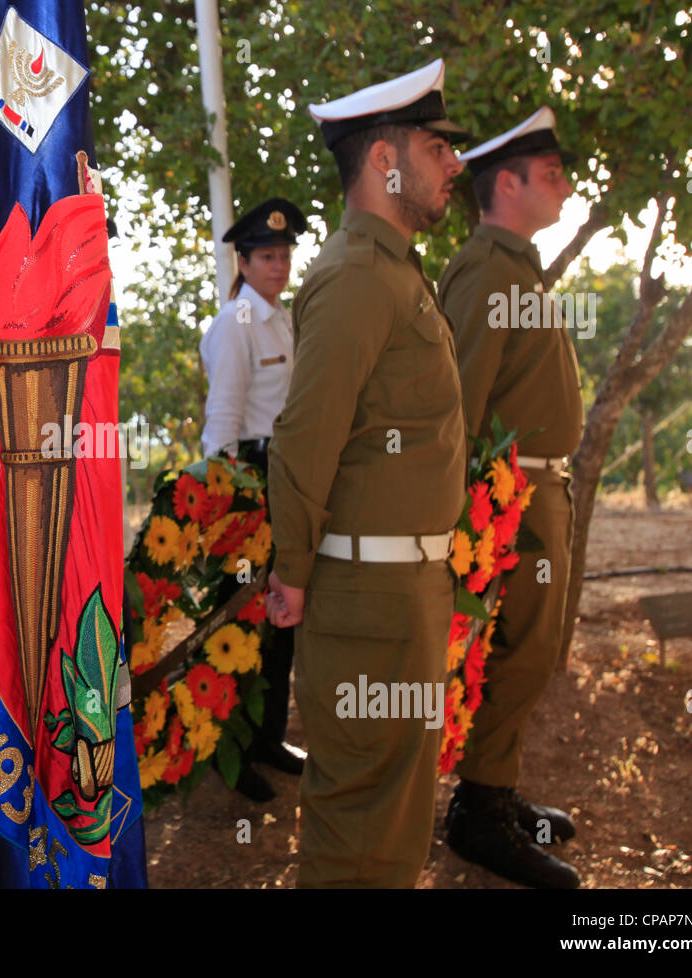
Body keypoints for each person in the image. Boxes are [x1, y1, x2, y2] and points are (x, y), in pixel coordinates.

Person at [266, 58, 469, 887]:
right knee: (360, 833)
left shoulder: (392, 269)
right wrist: (293, 571)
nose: (455, 163)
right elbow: (304, 437)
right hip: (367, 599)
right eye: (437, 147)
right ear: (385, 160)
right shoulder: (356, 275)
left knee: (395, 821)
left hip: (401, 592)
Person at [438, 107, 583, 889]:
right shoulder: (489, 271)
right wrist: (465, 521)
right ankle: (478, 812)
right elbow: (457, 407)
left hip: (536, 489)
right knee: (514, 649)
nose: (566, 188)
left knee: (529, 649)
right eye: (552, 176)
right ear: (508, 185)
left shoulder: (518, 266)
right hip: (509, 497)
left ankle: (492, 788)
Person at [199, 197, 309, 802]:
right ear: (242, 262)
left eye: (284, 255)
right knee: (242, 616)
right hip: (247, 475)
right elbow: (222, 417)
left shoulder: (283, 319)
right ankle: (231, 752)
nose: (278, 266)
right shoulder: (235, 324)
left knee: (282, 609)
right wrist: (225, 502)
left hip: (285, 473)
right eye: (266, 256)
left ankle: (268, 738)